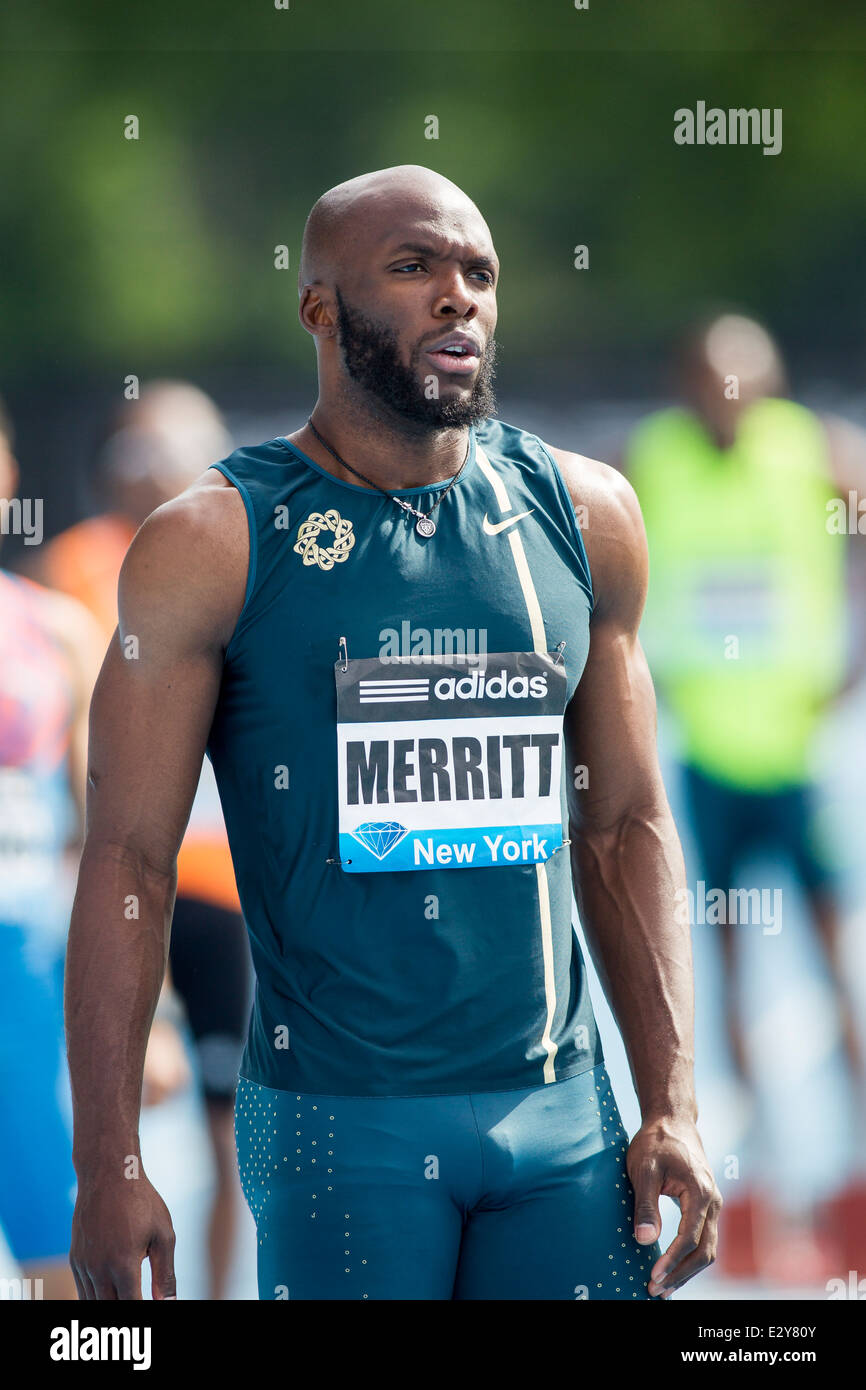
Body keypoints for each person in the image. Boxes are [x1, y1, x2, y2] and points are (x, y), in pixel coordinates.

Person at [66, 164, 720, 1301]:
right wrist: (107, 1163)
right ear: (319, 307)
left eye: (478, 272)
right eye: (412, 268)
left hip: (560, 1116)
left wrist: (669, 1097)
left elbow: (621, 822)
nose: (455, 295)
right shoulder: (215, 542)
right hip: (338, 1129)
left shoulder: (584, 516)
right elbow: (127, 860)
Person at [624, 313, 866, 1276]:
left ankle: (851, 1169)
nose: (727, 404)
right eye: (709, 386)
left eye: (744, 387)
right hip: (710, 757)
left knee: (836, 967)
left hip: (797, 757)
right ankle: (767, 1180)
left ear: (771, 385)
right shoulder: (649, 459)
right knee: (716, 974)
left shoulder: (822, 455)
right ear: (685, 384)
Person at [32, 382, 252, 1300]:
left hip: (230, 896)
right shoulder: (72, 570)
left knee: (231, 1131)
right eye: (138, 452)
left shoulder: (240, 556)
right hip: (117, 884)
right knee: (99, 1128)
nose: (154, 469)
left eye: (179, 448)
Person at [0, 396, 104, 1298]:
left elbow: (111, 845)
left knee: (50, 1227)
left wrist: (152, 1027)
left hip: (23, 968)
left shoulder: (56, 629)